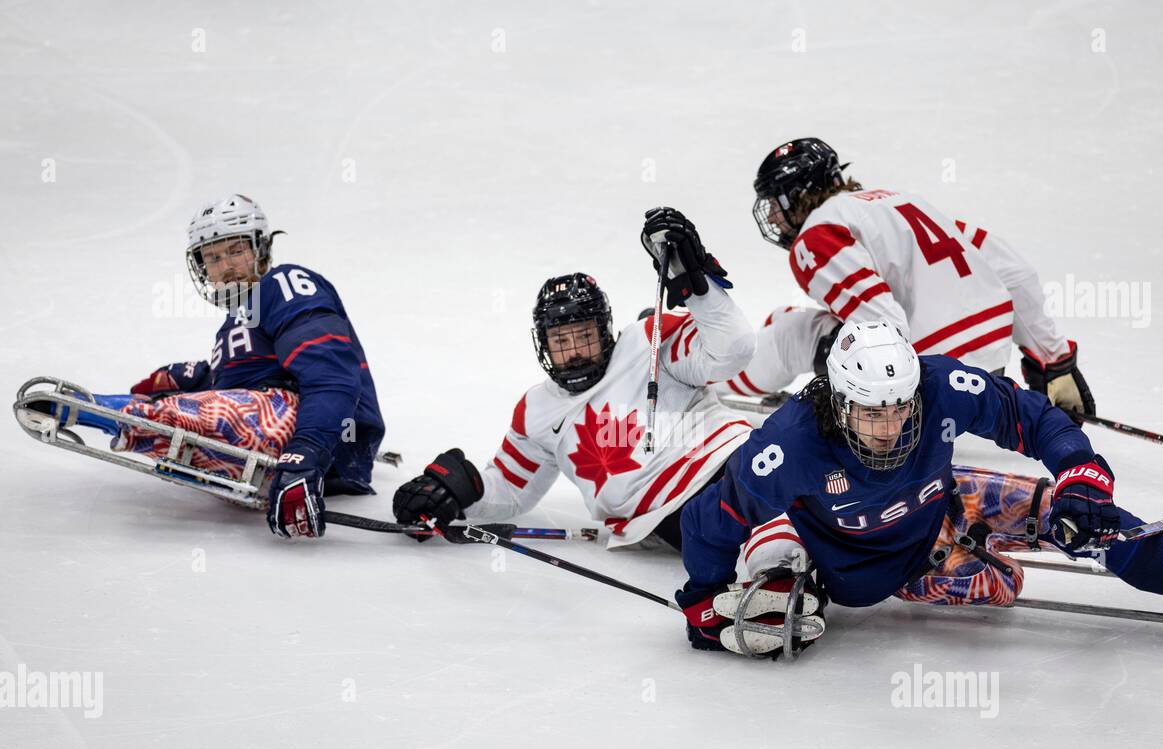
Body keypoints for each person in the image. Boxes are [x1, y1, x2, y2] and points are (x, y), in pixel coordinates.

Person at [678, 319, 1163, 657]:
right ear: (837, 403)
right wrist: (703, 602)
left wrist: (1080, 470)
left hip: (944, 498)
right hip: (882, 571)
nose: (890, 427)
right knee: (1005, 586)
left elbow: (1032, 417)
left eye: (900, 409)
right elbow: (715, 514)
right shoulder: (791, 443)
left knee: (1081, 517)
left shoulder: (939, 386)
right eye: (871, 413)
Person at [391, 208, 803, 575]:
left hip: (731, 458)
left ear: (605, 329)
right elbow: (510, 490)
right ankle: (786, 578)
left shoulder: (648, 339)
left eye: (584, 336)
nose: (573, 353)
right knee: (762, 531)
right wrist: (454, 494)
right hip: (667, 512)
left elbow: (733, 351)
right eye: (561, 341)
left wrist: (697, 285)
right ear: (542, 344)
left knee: (808, 501)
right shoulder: (536, 411)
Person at [35, 194, 385, 538]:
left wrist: (306, 453)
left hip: (318, 441)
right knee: (174, 411)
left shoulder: (286, 285)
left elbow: (331, 376)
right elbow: (252, 376)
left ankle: (95, 410)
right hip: (287, 431)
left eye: (236, 250)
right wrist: (194, 377)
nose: (226, 266)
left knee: (187, 417)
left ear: (261, 248)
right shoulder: (235, 322)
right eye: (213, 257)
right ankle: (112, 409)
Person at [719, 138, 1093, 419]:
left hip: (927, 387)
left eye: (775, 206)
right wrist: (1055, 362)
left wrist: (869, 410)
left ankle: (710, 383)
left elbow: (882, 323)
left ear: (796, 195)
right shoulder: (900, 201)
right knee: (789, 317)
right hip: (988, 377)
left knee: (795, 333)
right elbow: (1016, 274)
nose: (773, 220)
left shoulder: (817, 234)